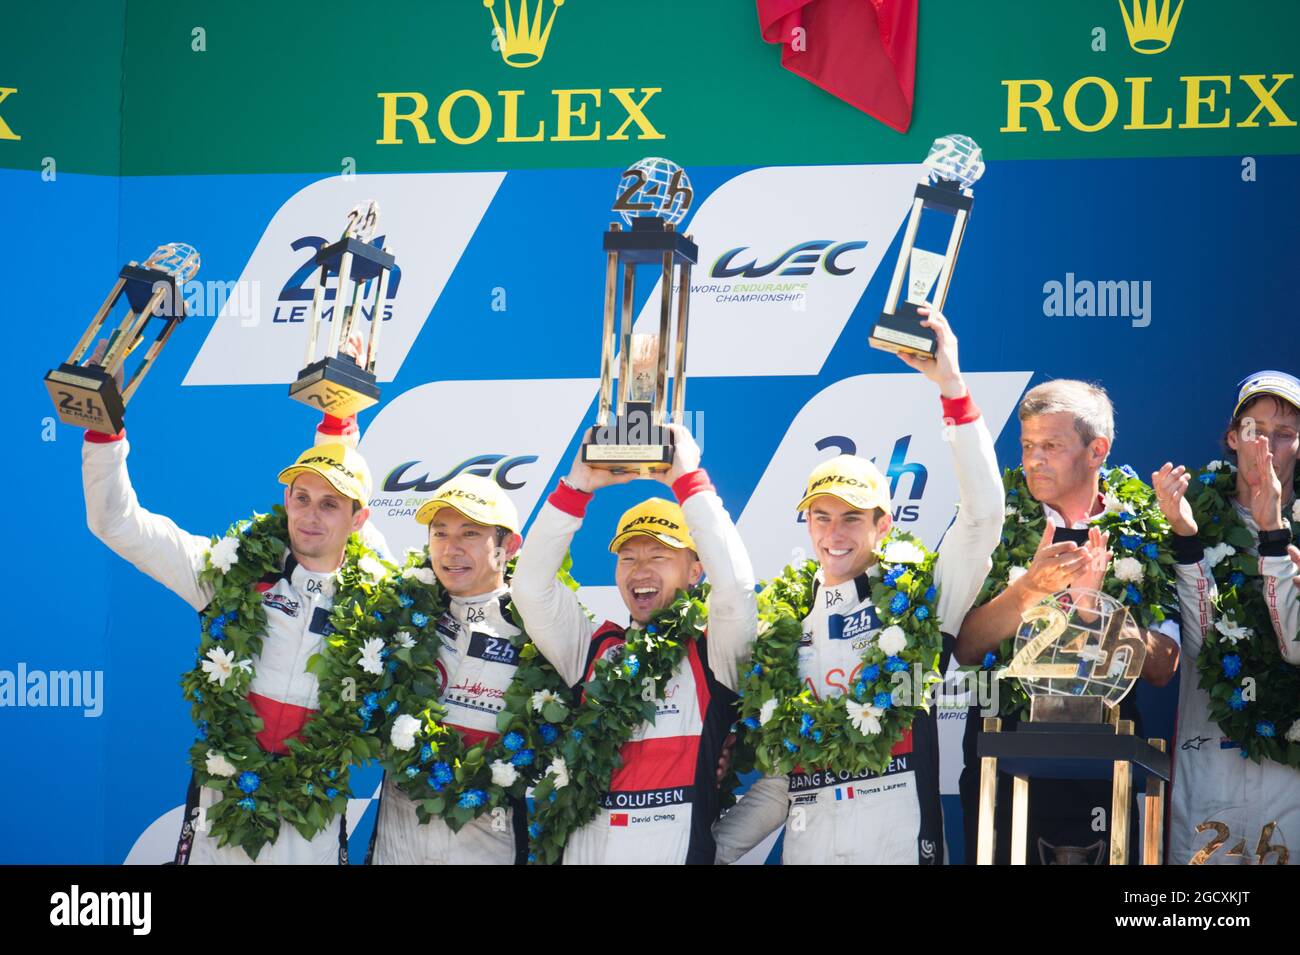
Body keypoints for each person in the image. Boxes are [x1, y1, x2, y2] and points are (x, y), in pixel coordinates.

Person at [713, 307, 1003, 864]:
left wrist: (952, 388)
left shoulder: (919, 601)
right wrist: (703, 854)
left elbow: (983, 518)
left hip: (897, 838)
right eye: (821, 517)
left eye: (852, 518)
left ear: (883, 525)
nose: (834, 533)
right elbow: (777, 789)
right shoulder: (781, 625)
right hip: (810, 841)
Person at [83, 409, 388, 864]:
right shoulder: (229, 570)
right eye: (301, 498)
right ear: (285, 498)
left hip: (312, 820)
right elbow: (118, 525)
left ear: (358, 519)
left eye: (330, 505)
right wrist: (103, 436)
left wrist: (340, 420)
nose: (310, 516)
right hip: (222, 806)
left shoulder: (379, 599)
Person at [955, 379, 1180, 864]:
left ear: (1097, 450)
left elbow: (1164, 665)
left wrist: (1091, 610)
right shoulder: (989, 520)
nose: (1034, 459)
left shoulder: (1144, 524)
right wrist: (1029, 591)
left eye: (1051, 446)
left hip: (1104, 758)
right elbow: (962, 647)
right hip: (1003, 750)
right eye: (1028, 445)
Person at [511, 424, 757, 863]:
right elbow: (529, 589)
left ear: (694, 571)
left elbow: (736, 591)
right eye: (628, 557)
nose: (640, 570)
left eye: (659, 556)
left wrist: (689, 482)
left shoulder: (714, 651)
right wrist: (577, 486)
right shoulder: (593, 650)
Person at [1155, 370, 1300, 865]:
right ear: (1233, 437)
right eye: (1256, 431)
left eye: (1283, 435)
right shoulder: (1190, 515)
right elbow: (1198, 647)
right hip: (1208, 753)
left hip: (1291, 768)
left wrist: (1274, 534)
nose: (1267, 447)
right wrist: (1187, 540)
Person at [366, 474, 531, 864]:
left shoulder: (537, 629)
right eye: (440, 534)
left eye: (469, 534)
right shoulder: (404, 612)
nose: (451, 549)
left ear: (509, 545)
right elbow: (350, 544)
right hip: (396, 847)